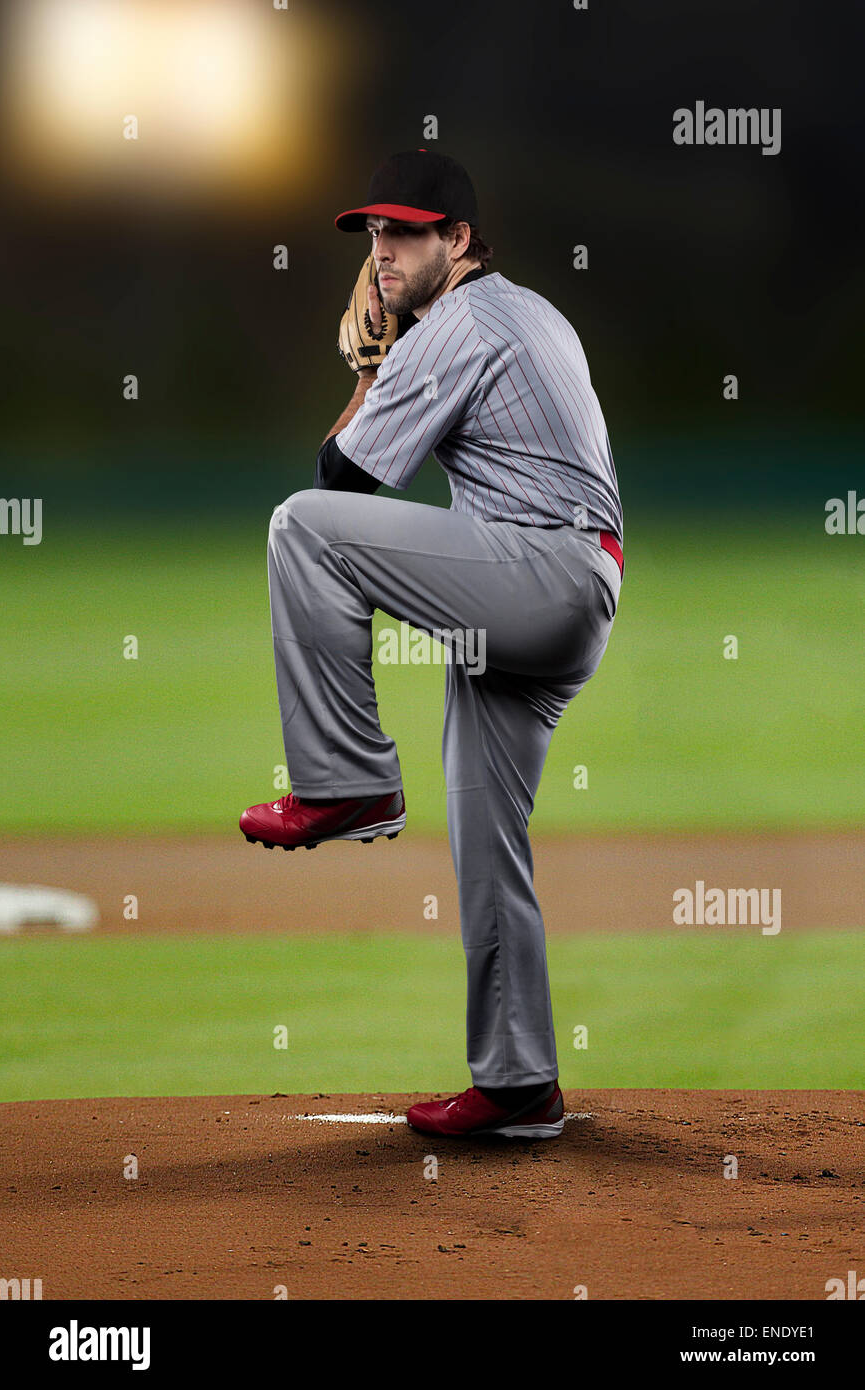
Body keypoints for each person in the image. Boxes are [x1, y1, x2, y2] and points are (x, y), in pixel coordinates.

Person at [240, 150, 624, 1140]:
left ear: (458, 241)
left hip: (538, 574)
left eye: (405, 232)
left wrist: (371, 366)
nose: (381, 252)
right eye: (373, 233)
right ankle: (518, 1083)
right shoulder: (522, 311)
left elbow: (343, 480)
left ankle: (347, 779)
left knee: (300, 525)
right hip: (559, 585)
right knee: (486, 836)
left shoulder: (463, 319)